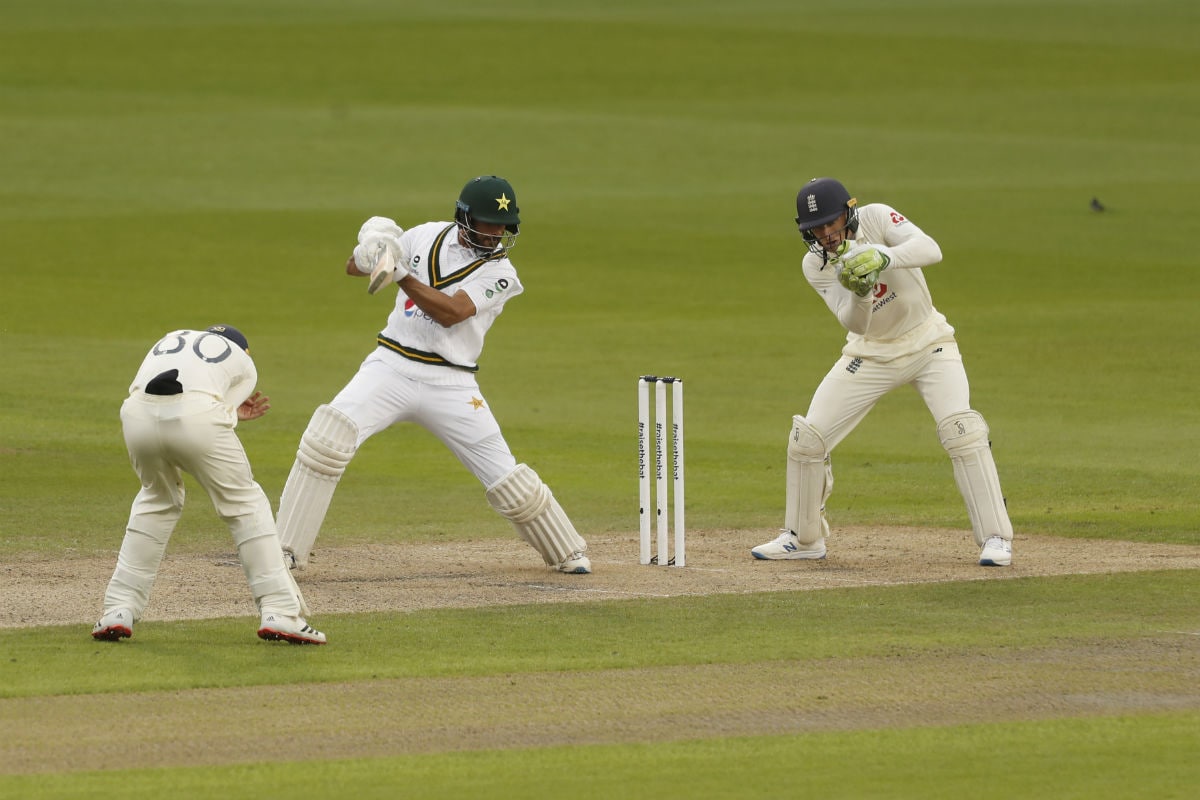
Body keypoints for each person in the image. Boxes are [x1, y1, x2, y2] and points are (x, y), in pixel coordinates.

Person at [275, 175, 591, 575]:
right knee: (327, 437)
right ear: (463, 217)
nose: (496, 233)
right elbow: (353, 268)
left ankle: (566, 550)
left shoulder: (502, 274)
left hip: (452, 383)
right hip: (390, 366)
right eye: (488, 223)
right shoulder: (425, 235)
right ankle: (284, 549)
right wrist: (374, 248)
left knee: (504, 474)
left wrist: (402, 274)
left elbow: (451, 313)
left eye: (503, 226)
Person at [751, 177, 1014, 566]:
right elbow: (856, 324)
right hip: (871, 354)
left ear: (849, 212)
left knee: (962, 431)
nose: (826, 234)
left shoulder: (876, 218)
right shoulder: (815, 264)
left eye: (831, 222)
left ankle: (996, 539)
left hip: (930, 344)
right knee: (807, 439)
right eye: (816, 229)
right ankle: (805, 540)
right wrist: (859, 292)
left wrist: (881, 256)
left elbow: (931, 249)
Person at [92, 325, 326, 644]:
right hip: (195, 417)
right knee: (244, 503)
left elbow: (178, 391)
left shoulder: (174, 338)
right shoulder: (244, 363)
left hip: (137, 418)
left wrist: (218, 411)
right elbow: (214, 417)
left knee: (157, 500)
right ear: (243, 350)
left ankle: (117, 609)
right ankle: (280, 612)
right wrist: (226, 414)